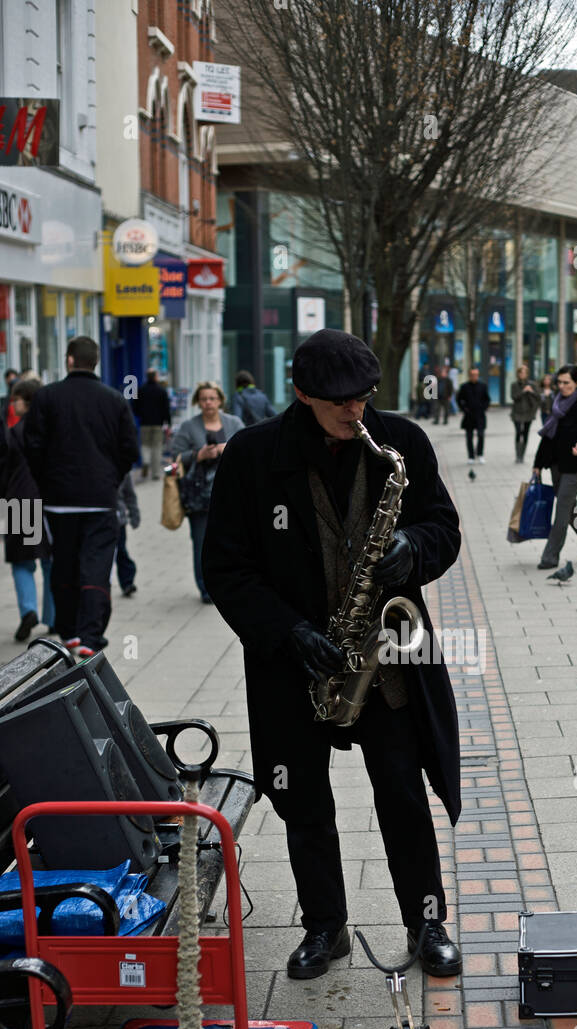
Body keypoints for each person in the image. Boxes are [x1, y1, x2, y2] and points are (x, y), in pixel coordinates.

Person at [201, 328, 463, 980]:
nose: (356, 413)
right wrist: (287, 631)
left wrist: (416, 548)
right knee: (303, 802)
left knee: (403, 792)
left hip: (386, 660)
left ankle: (426, 922)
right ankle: (325, 927)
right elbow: (226, 568)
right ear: (301, 394)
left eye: (364, 398)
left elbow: (444, 527)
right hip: (295, 664)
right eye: (340, 402)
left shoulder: (400, 441)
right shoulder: (251, 455)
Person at [22, 336, 138, 659]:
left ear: (69, 360)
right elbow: (130, 449)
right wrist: (110, 478)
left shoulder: (47, 397)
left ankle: (69, 630)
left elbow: (32, 445)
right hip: (100, 497)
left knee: (64, 561)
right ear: (95, 361)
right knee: (96, 566)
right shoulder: (114, 400)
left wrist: (46, 480)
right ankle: (90, 634)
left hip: (59, 499)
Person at [170, 382, 244, 603]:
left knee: (233, 541)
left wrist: (227, 448)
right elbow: (175, 457)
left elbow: (248, 451)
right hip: (199, 496)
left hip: (230, 494)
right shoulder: (189, 427)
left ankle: (231, 583)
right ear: (198, 402)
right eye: (204, 399)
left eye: (212, 398)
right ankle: (205, 588)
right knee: (201, 542)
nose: (208, 403)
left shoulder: (234, 423)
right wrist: (198, 455)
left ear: (220, 400)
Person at [0, 376, 55, 641]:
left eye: (16, 399)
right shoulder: (51, 431)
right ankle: (53, 617)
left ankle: (28, 610)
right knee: (50, 561)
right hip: (50, 500)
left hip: (20, 501)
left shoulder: (14, 434)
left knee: (22, 561)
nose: (12, 404)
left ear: (27, 401)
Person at [533, 364, 577, 569]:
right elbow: (547, 437)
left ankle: (550, 556)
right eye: (560, 382)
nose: (561, 386)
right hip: (556, 464)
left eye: (567, 383)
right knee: (571, 510)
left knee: (562, 507)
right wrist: (537, 465)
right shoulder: (557, 403)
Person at [133, 367, 171, 479]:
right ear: (156, 376)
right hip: (158, 423)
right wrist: (168, 422)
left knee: (145, 445)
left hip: (144, 423)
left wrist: (141, 415)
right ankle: (155, 473)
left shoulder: (141, 390)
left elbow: (134, 406)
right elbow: (166, 408)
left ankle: (145, 461)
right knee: (157, 447)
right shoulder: (161, 391)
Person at [456, 366, 490, 464]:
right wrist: (464, 409)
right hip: (469, 416)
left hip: (480, 415)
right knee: (469, 437)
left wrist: (484, 408)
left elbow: (487, 399)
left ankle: (480, 454)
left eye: (476, 375)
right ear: (469, 375)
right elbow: (459, 399)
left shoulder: (483, 386)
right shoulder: (464, 387)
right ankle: (470, 456)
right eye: (472, 375)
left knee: (481, 435)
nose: (474, 376)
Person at [114, 471, 140, 597]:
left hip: (118, 520)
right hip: (97, 519)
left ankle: (127, 582)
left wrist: (134, 514)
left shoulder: (121, 467)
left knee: (121, 551)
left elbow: (129, 494)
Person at [510, 364, 540, 464]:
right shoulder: (514, 385)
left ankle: (522, 455)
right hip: (517, 412)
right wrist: (523, 391)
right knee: (518, 432)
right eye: (520, 372)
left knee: (526, 433)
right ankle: (517, 455)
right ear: (518, 374)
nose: (522, 374)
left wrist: (530, 391)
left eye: (524, 372)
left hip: (528, 412)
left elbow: (538, 397)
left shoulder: (532, 384)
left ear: (527, 374)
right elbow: (514, 397)